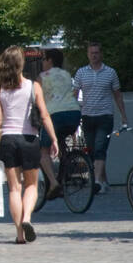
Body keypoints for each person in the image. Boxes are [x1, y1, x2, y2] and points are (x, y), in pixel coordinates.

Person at [0, 46, 57, 244]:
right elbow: (44, 115)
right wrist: (53, 139)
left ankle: (19, 235)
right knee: (31, 185)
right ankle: (27, 218)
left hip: (8, 140)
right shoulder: (33, 86)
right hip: (29, 140)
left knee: (13, 189)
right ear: (21, 64)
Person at [73, 42, 128, 194]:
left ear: (101, 54)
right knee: (92, 150)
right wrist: (74, 113)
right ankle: (103, 180)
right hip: (87, 115)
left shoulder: (110, 72)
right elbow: (75, 94)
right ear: (87, 54)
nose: (94, 56)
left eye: (96, 53)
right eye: (91, 53)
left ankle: (96, 182)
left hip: (105, 116)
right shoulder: (81, 72)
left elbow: (117, 94)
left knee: (100, 148)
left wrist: (123, 115)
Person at [37, 49, 82, 197]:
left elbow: (37, 99)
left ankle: (53, 183)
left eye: (44, 59)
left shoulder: (42, 77)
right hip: (74, 113)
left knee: (43, 151)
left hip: (54, 115)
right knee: (61, 141)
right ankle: (64, 170)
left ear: (50, 60)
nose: (42, 62)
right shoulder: (67, 75)